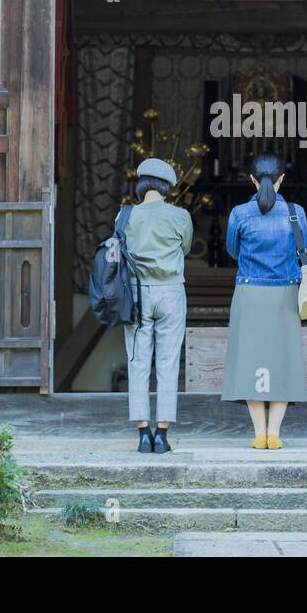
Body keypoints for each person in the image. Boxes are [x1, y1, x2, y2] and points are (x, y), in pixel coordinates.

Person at [222, 152, 307, 449]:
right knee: (283, 360)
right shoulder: (296, 212)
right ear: (282, 179)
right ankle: (275, 433)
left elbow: (232, 251)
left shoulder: (239, 213)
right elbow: (303, 249)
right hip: (285, 294)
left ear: (251, 179)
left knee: (251, 360)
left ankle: (259, 433)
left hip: (249, 292)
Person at [120, 157, 193, 454]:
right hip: (171, 291)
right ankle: (162, 434)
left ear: (140, 185)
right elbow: (185, 247)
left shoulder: (124, 216)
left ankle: (141, 434)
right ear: (166, 187)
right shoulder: (180, 216)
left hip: (136, 294)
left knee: (137, 362)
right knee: (167, 362)